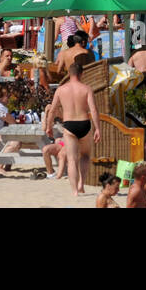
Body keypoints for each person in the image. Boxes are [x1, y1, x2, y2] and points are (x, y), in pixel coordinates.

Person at [44, 61, 101, 197]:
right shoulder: (86, 89)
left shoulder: (61, 89)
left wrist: (48, 126)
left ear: (68, 74)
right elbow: (94, 110)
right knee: (85, 155)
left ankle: (75, 191)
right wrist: (98, 128)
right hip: (84, 124)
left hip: (69, 125)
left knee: (72, 159)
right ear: (81, 74)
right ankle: (81, 183)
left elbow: (52, 110)